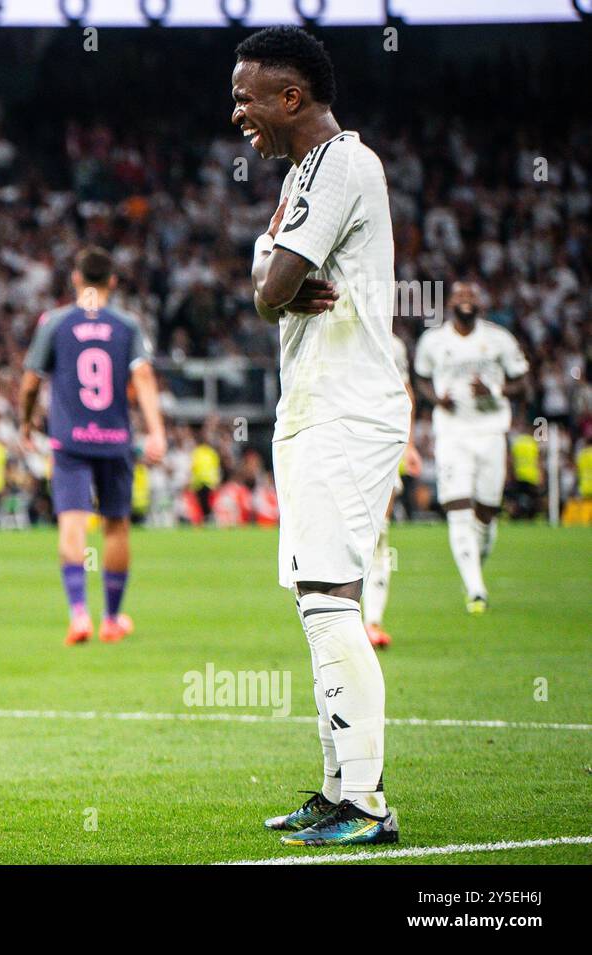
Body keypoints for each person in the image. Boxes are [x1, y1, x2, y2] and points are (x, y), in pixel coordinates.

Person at [235, 26, 409, 845]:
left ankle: (368, 804)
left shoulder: (341, 162)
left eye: (248, 96)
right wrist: (274, 273)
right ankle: (340, 785)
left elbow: (271, 285)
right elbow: (269, 280)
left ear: (290, 96)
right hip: (315, 401)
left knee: (331, 600)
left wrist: (275, 275)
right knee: (319, 599)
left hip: (345, 402)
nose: (239, 112)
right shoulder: (308, 170)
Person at [18, 246, 166, 645]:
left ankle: (79, 614)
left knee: (72, 523)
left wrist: (26, 420)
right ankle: (112, 618)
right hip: (116, 440)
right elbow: (146, 377)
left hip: (70, 442)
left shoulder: (55, 322)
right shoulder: (127, 325)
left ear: (76, 279)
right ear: (113, 283)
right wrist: (156, 431)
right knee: (116, 527)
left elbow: (31, 380)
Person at [414, 281, 530, 611]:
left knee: (487, 512)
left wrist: (493, 391)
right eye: (460, 296)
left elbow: (524, 383)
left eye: (472, 296)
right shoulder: (433, 341)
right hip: (452, 433)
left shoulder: (499, 339)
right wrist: (437, 398)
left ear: (481, 303)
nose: (465, 300)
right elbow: (421, 377)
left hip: (491, 431)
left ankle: (473, 570)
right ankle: (476, 590)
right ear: (450, 303)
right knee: (458, 509)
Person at [362, 334, 423, 648]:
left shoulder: (393, 344)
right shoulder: (326, 326)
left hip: (382, 446)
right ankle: (337, 620)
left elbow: (405, 393)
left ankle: (372, 622)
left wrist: (409, 445)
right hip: (339, 444)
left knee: (378, 534)